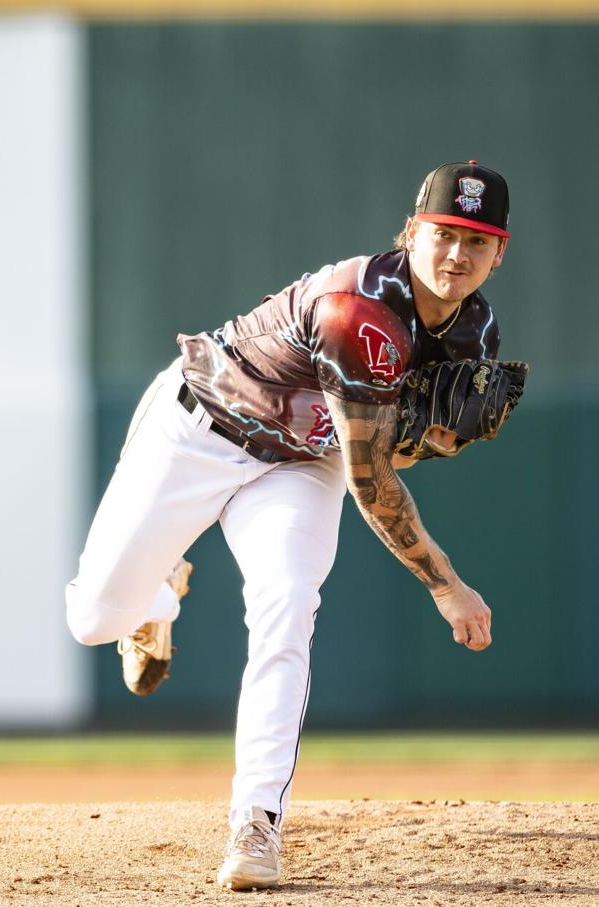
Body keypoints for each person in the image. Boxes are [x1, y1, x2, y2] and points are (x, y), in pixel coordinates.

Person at [65, 161, 510, 891]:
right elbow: (372, 480)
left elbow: (394, 447)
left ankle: (256, 821)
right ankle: (154, 599)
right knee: (92, 617)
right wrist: (447, 584)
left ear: (500, 252)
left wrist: (435, 438)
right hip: (200, 427)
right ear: (412, 232)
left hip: (298, 465)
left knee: (287, 604)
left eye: (477, 239)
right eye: (444, 233)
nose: (457, 253)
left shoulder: (475, 333)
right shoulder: (355, 309)